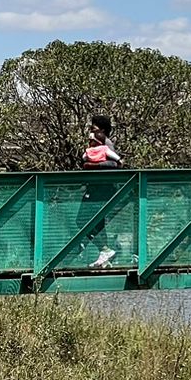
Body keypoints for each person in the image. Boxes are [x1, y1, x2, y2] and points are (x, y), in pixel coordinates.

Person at [77, 115, 124, 268]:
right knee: (98, 222)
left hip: (102, 188)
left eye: (94, 127)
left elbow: (113, 163)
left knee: (82, 220)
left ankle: (104, 249)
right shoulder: (95, 144)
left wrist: (91, 167)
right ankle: (104, 255)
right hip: (97, 187)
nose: (90, 129)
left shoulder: (105, 143)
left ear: (102, 130)